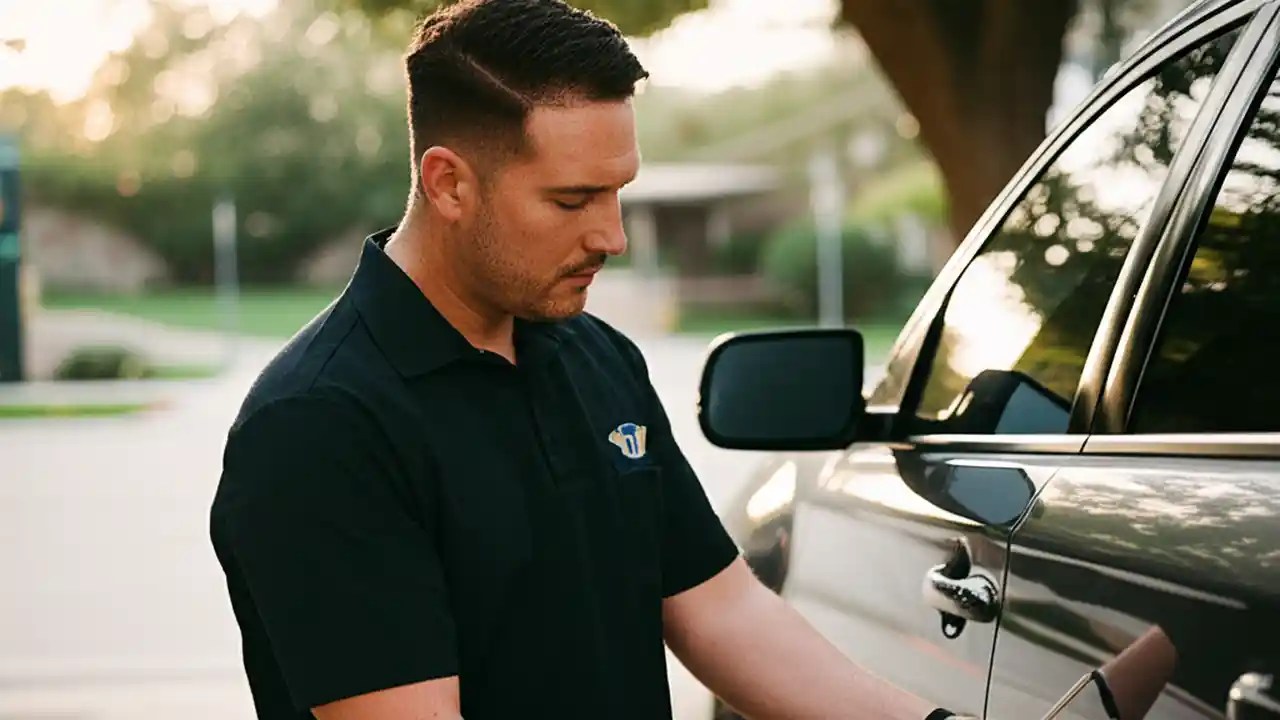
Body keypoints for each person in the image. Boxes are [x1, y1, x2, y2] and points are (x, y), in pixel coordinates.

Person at [209, 1, 956, 718]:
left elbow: (720, 611)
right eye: (573, 201)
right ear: (449, 184)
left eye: (619, 193)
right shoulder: (317, 424)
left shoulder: (597, 358)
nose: (613, 237)